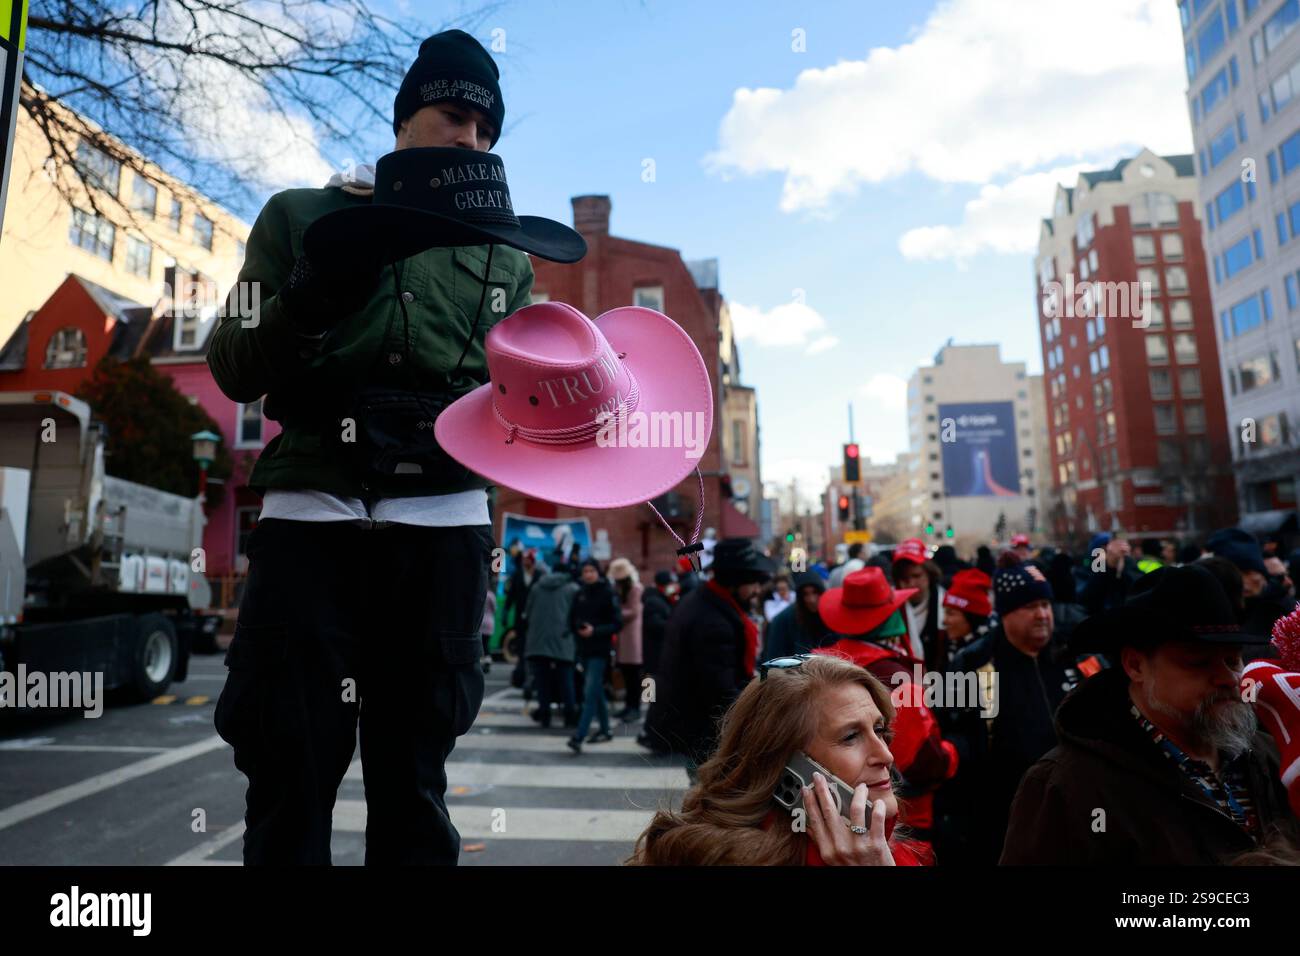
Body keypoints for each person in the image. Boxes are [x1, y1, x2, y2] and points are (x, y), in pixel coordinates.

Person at [207, 30, 539, 865]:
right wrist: (311, 297)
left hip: (443, 526)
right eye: (452, 114)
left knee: (415, 783)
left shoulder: (508, 252)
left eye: (485, 129)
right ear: (404, 121)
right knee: (288, 773)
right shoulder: (300, 215)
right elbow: (233, 363)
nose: (469, 138)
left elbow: (518, 415)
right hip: (310, 515)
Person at [1001, 564, 1300, 864]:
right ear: (1136, 666)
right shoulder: (1069, 787)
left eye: (1233, 661)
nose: (1227, 678)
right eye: (1198, 662)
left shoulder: (1275, 757)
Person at [629, 654, 922, 865]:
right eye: (850, 737)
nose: (886, 754)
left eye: (880, 730)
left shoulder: (887, 851)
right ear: (789, 768)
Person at [814, 567, 960, 864]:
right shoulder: (895, 677)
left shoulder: (818, 664)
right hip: (904, 818)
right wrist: (952, 752)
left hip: (831, 810)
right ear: (889, 617)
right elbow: (922, 761)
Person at [945, 563, 1075, 864]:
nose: (1042, 614)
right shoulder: (970, 664)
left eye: (1046, 604)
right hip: (1004, 821)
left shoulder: (1075, 654)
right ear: (1005, 613)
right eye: (1030, 606)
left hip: (1078, 814)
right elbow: (952, 738)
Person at [640, 538, 775, 775]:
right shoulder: (713, 622)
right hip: (706, 731)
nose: (757, 590)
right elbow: (720, 690)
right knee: (711, 798)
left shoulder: (708, 601)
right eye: (752, 582)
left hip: (698, 725)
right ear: (734, 582)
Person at [567, 559, 623, 754]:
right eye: (585, 571)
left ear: (598, 572)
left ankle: (579, 736)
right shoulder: (580, 593)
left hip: (600, 650)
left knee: (589, 693)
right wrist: (578, 629)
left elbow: (617, 623)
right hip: (583, 649)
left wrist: (595, 630)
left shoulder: (607, 593)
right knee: (595, 690)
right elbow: (572, 618)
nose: (588, 574)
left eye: (592, 570)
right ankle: (606, 730)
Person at [1209, 527, 1297, 641]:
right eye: (1235, 573)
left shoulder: (1287, 612)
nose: (1243, 581)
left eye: (1248, 572)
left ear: (1262, 574)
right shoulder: (1222, 614)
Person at [522, 562, 578, 729]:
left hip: (538, 641)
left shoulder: (537, 587)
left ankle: (545, 716)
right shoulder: (572, 589)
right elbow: (576, 615)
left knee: (541, 682)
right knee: (566, 681)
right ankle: (570, 717)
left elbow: (527, 612)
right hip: (563, 640)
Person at [892, 538, 947, 674]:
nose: (911, 583)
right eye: (904, 578)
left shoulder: (946, 604)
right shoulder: (891, 609)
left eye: (916, 576)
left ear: (929, 574)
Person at [762, 570, 834, 659]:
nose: (811, 599)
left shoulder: (830, 616)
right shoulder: (783, 620)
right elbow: (773, 658)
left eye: (815, 592)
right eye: (805, 594)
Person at [608, 558, 646, 723]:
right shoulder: (619, 587)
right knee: (625, 672)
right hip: (623, 636)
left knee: (634, 674)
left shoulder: (636, 588)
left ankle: (635, 707)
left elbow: (633, 611)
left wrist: (616, 612)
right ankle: (628, 706)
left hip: (632, 636)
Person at [1078, 532, 1141, 616]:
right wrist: (1108, 567)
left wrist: (1121, 569)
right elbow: (1085, 599)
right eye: (1105, 550)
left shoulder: (1129, 567)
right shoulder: (1083, 573)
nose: (1110, 555)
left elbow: (1138, 590)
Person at [506, 548, 542, 690]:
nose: (525, 562)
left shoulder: (539, 575)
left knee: (532, 648)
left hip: (534, 618)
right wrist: (506, 610)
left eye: (528, 560)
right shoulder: (517, 575)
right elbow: (511, 595)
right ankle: (522, 676)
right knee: (521, 648)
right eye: (524, 560)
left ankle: (530, 676)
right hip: (520, 618)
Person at [939, 568, 992, 663]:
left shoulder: (989, 653)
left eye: (950, 614)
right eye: (945, 613)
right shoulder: (950, 645)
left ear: (972, 617)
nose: (944, 621)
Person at [640, 570, 675, 693]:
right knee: (651, 686)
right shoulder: (654, 601)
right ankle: (649, 710)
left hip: (657, 651)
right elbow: (654, 624)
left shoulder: (661, 599)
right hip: (654, 651)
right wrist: (674, 625)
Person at [480, 576, 497, 674]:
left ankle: (482, 663)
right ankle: (488, 662)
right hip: (490, 623)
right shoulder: (491, 595)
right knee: (487, 645)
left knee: (482, 645)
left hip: (481, 623)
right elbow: (495, 609)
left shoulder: (481, 594)